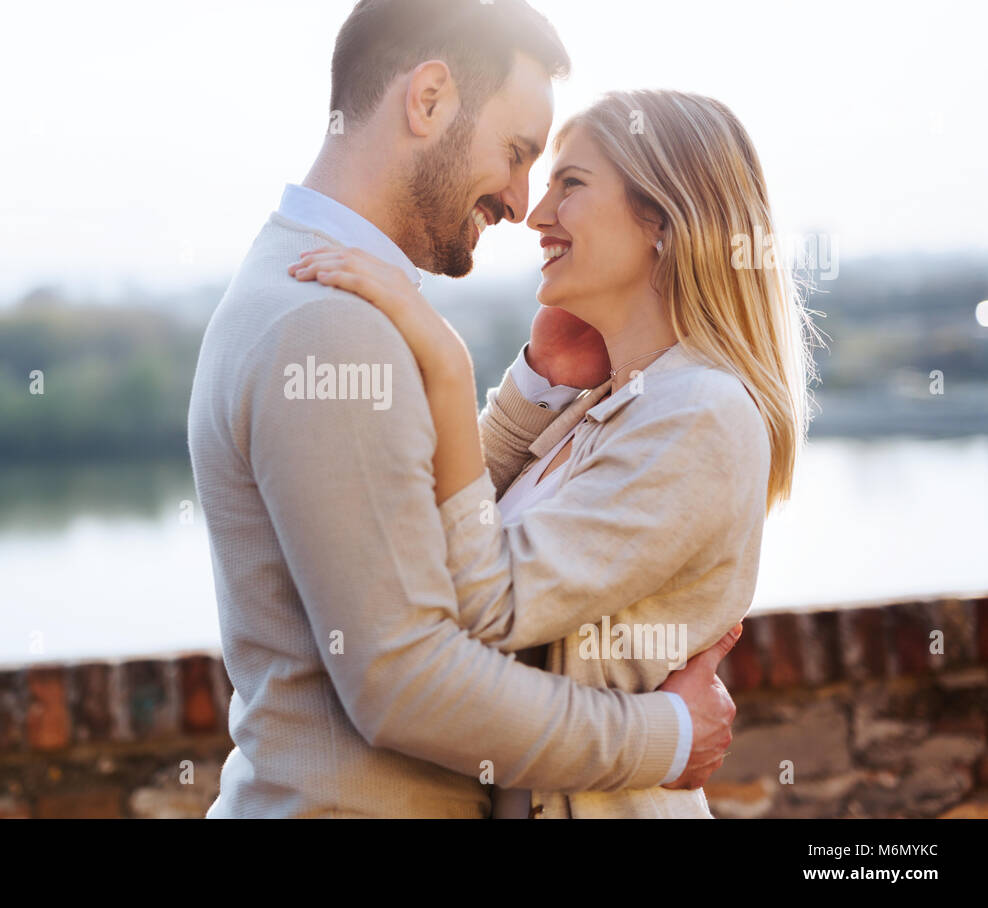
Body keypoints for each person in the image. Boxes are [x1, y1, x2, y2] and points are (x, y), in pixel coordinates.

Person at [188, 0, 741, 818]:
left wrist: (530, 394)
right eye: (517, 153)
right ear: (429, 100)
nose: (521, 203)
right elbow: (407, 682)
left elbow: (439, 552)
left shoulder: (315, 294)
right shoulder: (328, 325)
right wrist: (662, 737)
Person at [289, 88, 813, 816]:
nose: (536, 215)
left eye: (570, 184)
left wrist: (445, 362)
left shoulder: (702, 414)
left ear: (663, 220)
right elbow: (437, 540)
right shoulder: (606, 405)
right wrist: (536, 383)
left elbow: (487, 600)